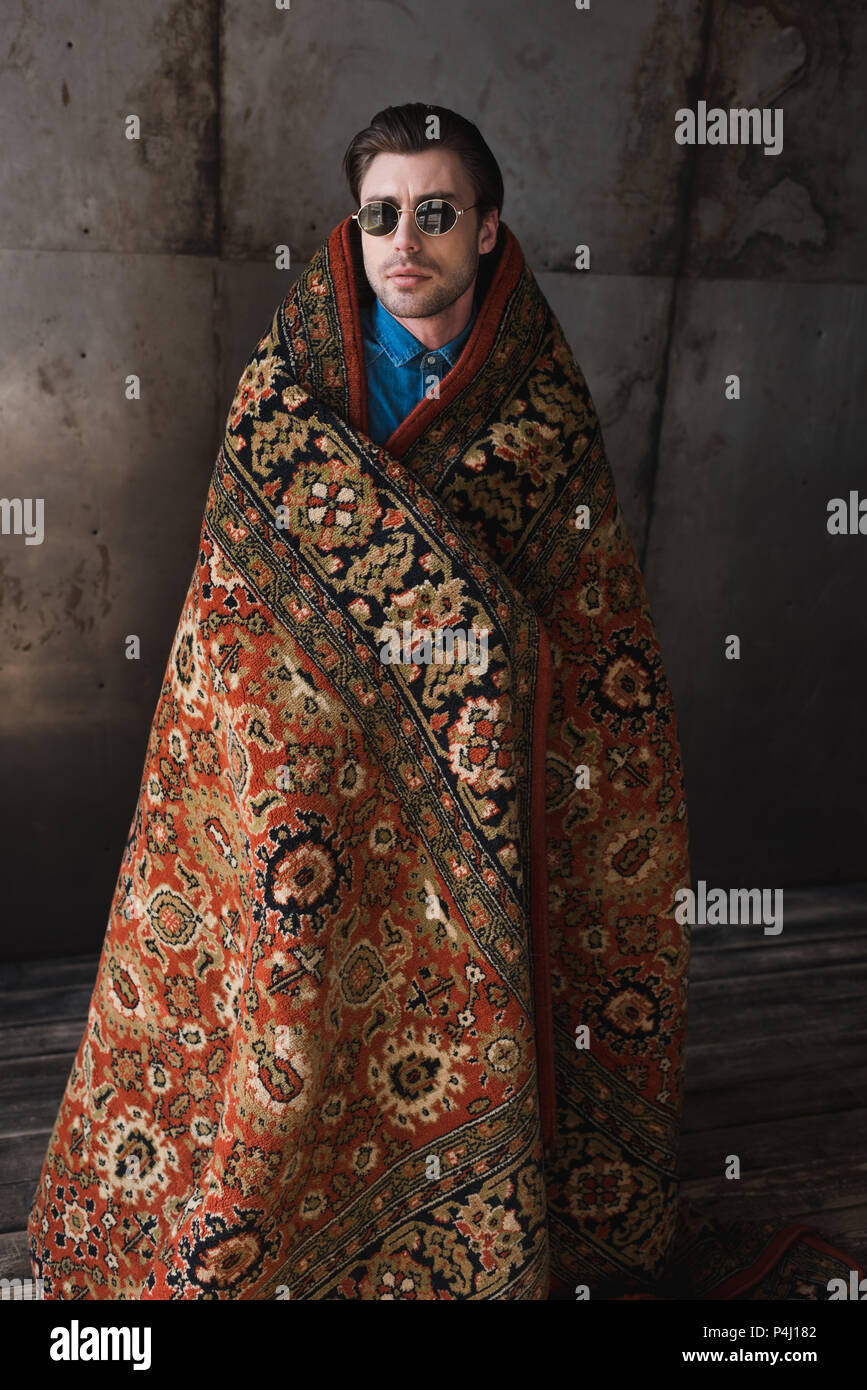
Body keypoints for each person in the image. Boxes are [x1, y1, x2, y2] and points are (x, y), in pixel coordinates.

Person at [28, 103, 860, 1300]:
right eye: (379, 216)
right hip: (309, 784)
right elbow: (234, 617)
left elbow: (585, 620)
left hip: (488, 800)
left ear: (487, 226)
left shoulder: (539, 407)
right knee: (297, 975)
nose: (403, 241)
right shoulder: (292, 390)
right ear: (351, 230)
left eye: (434, 213)